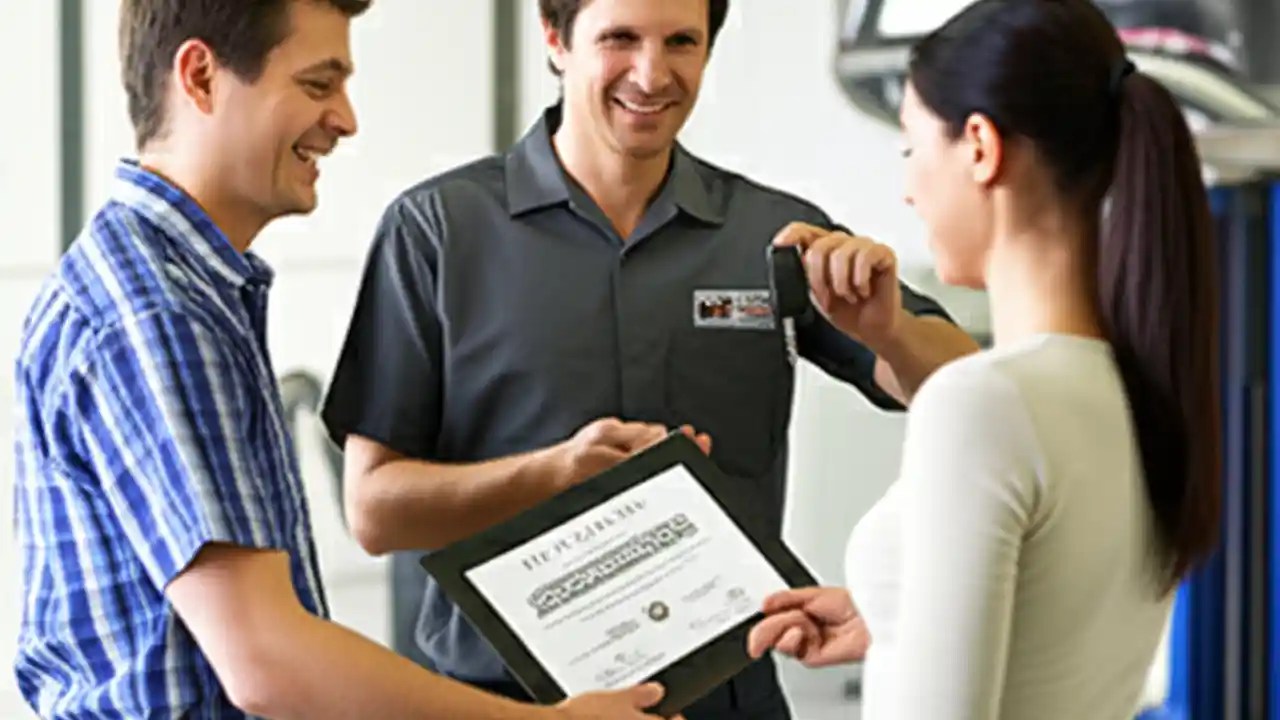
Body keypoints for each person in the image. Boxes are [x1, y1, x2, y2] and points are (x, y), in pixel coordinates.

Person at [11, 1, 683, 718]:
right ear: (200, 76)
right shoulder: (157, 312)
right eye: (316, 84)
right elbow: (267, 661)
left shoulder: (179, 290)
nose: (345, 119)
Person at [319, 0, 979, 717]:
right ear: (555, 38)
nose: (652, 73)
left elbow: (969, 391)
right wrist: (553, 475)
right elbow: (375, 510)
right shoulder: (438, 231)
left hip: (729, 697)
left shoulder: (771, 235)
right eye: (620, 38)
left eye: (681, 42)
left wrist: (888, 332)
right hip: (510, 706)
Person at [746, 1, 1223, 718]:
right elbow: (1053, 627)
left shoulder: (982, 401)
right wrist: (899, 622)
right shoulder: (1134, 388)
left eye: (911, 148)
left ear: (978, 146)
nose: (908, 188)